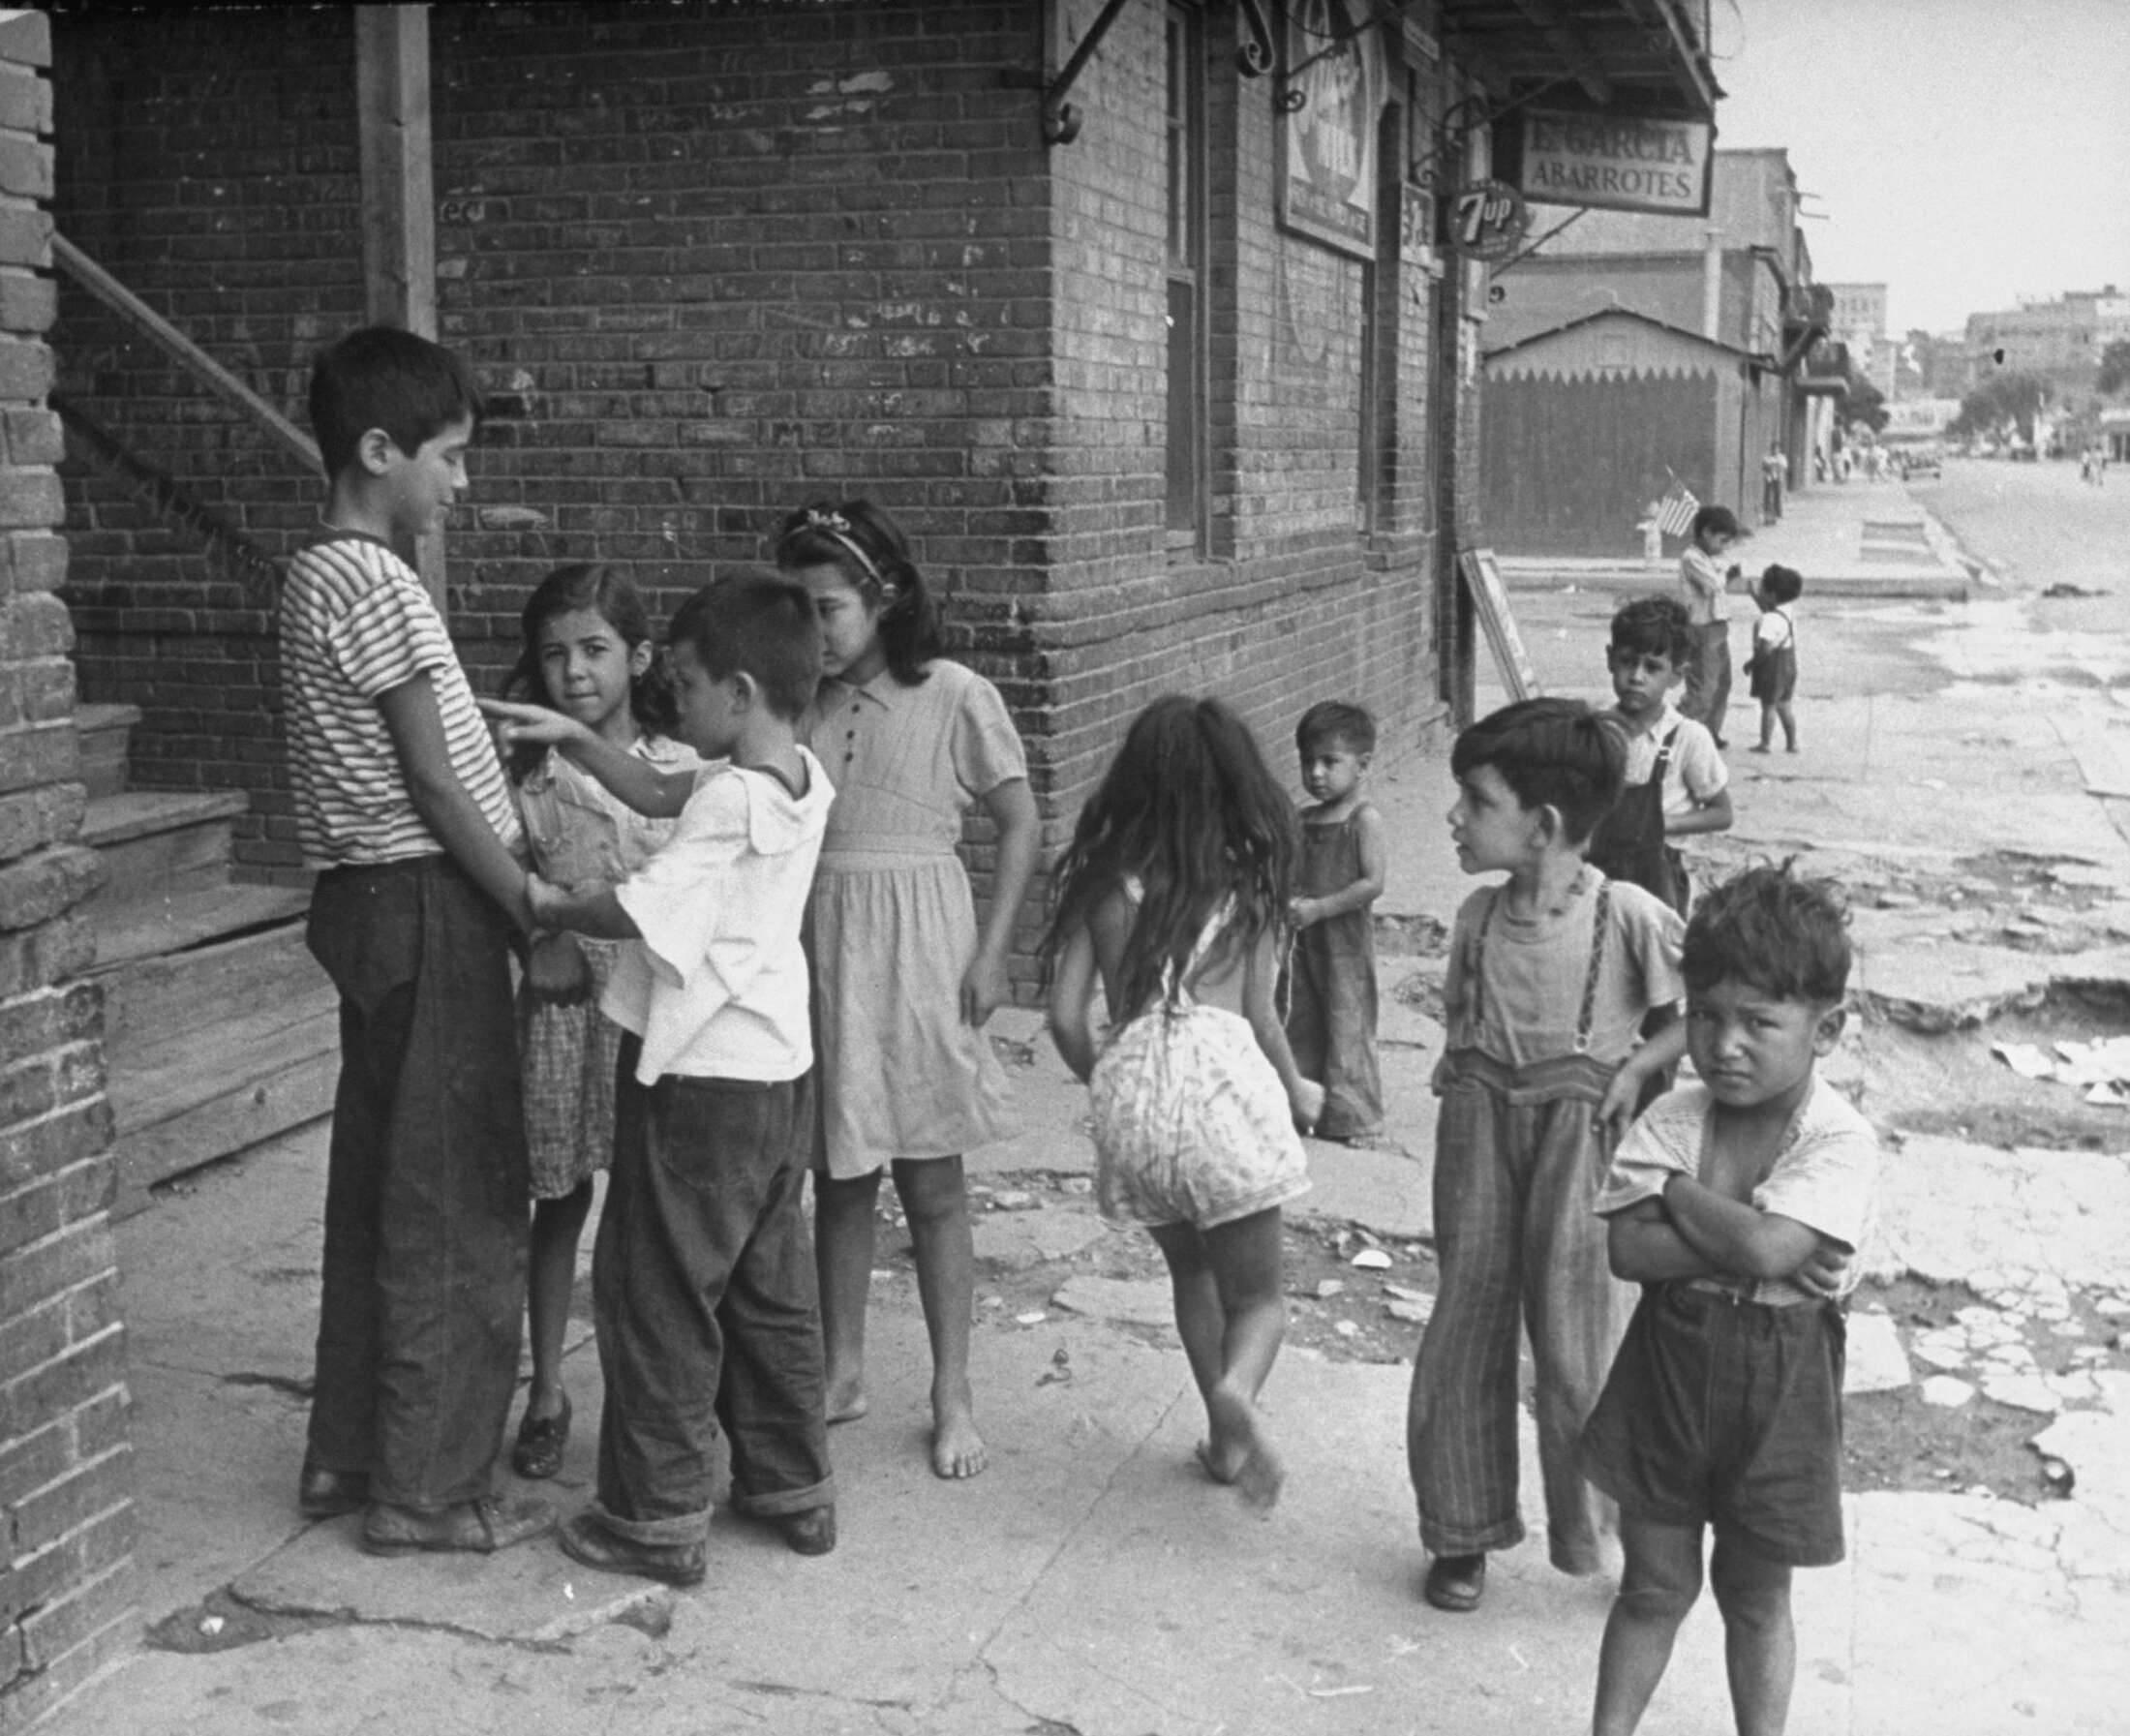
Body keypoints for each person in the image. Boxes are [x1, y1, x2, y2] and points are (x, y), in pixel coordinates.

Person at [484, 574, 839, 1587]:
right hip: (777, 1070)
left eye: (682, 684)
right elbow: (651, 790)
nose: (670, 700)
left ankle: (654, 1514)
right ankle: (791, 1481)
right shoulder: (798, 775)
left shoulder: (727, 797)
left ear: (735, 690)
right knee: (770, 1288)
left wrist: (547, 903)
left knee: (657, 1290)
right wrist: (572, 734)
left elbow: (640, 906)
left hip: (698, 1080)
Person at [279, 325, 553, 1556]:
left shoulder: (311, 574)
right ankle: (426, 1488)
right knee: (457, 1196)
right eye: (445, 457)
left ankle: (349, 1450)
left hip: (362, 902)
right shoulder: (381, 582)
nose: (459, 482)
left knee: (380, 1184)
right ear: (377, 450)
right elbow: (438, 787)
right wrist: (528, 903)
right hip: (430, 899)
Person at [776, 501, 1041, 1480]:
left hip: (924, 943)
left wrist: (995, 951)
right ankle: (842, 1367)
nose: (815, 628)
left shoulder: (952, 693)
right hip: (824, 941)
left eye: (831, 607)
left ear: (884, 601)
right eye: (798, 609)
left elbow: (1019, 823)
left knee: (930, 1178)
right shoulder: (799, 701)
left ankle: (952, 1388)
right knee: (840, 1171)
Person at [1407, 698, 1687, 1614]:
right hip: (1480, 1131)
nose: (1454, 816)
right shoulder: (1478, 916)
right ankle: (1461, 1528)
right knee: (1467, 1324)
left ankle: (1595, 1529)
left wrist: (1638, 1065)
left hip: (1579, 1144)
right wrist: (1462, 1057)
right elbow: (1458, 1015)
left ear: (1545, 825)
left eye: (1475, 801)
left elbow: (1689, 1012)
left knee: (1576, 1348)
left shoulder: (1628, 914)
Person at [1580, 866, 1875, 1736]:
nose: (1724, 1043)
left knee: (1754, 1591)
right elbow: (1628, 1251)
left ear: (1826, 1029)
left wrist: (1674, 1194)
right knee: (1653, 1582)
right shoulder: (1674, 1115)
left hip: (1782, 1385)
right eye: (1705, 1015)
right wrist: (1749, 1225)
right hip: (1667, 1370)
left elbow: (1767, 1247)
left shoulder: (1836, 1135)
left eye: (1759, 1021)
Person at [1046, 696, 1324, 1509]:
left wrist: (1112, 1079)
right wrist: (1300, 1087)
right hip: (1223, 1095)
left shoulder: (1104, 885)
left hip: (1133, 1090)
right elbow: (1264, 1018)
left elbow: (1065, 1018)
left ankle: (1223, 1439)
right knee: (1260, 1297)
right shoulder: (1250, 885)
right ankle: (1239, 1395)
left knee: (1191, 1272)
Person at [499, 565, 702, 1480]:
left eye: (594, 649)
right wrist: (530, 935)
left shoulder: (677, 766)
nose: (573, 671)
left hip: (657, 1010)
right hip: (567, 1009)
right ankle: (546, 1387)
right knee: (560, 1195)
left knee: (649, 1212)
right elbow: (507, 877)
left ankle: (650, 1396)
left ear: (640, 656)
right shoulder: (531, 778)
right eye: (554, 653)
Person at [1587, 596, 1732, 917]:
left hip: (1660, 876)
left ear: (1677, 675)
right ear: (1611, 660)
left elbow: (1722, 813)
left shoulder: (1688, 738)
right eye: (1627, 662)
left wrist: (1663, 823)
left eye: (1652, 667)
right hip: (1599, 869)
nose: (1637, 677)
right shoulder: (1596, 729)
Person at [1284, 700, 1387, 1143]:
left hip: (1342, 940)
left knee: (1346, 1019)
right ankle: (1303, 1106)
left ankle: (1352, 1116)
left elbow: (1372, 883)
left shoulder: (1364, 820)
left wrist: (1321, 908)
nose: (1317, 773)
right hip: (1302, 940)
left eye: (1330, 761)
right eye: (1309, 761)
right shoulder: (1303, 819)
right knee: (1300, 1017)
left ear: (1362, 765)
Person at [1676, 503, 1742, 747]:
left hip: (1718, 626)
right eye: (1721, 540)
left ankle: (1709, 732)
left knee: (1722, 684)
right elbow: (1712, 584)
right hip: (1701, 628)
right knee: (1703, 687)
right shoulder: (1692, 558)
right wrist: (1728, 573)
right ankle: (1679, 731)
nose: (1724, 547)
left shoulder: (1714, 557)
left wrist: (1726, 569)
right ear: (1706, 533)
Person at [1746, 564, 1803, 756]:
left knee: (1768, 705)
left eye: (1762, 589)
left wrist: (1752, 663)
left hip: (1772, 666)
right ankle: (1792, 743)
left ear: (1772, 594)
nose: (1760, 591)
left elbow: (1765, 649)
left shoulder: (1769, 621)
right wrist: (1754, 596)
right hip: (1789, 662)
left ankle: (1765, 743)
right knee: (1785, 705)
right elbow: (1768, 609)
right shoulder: (1786, 610)